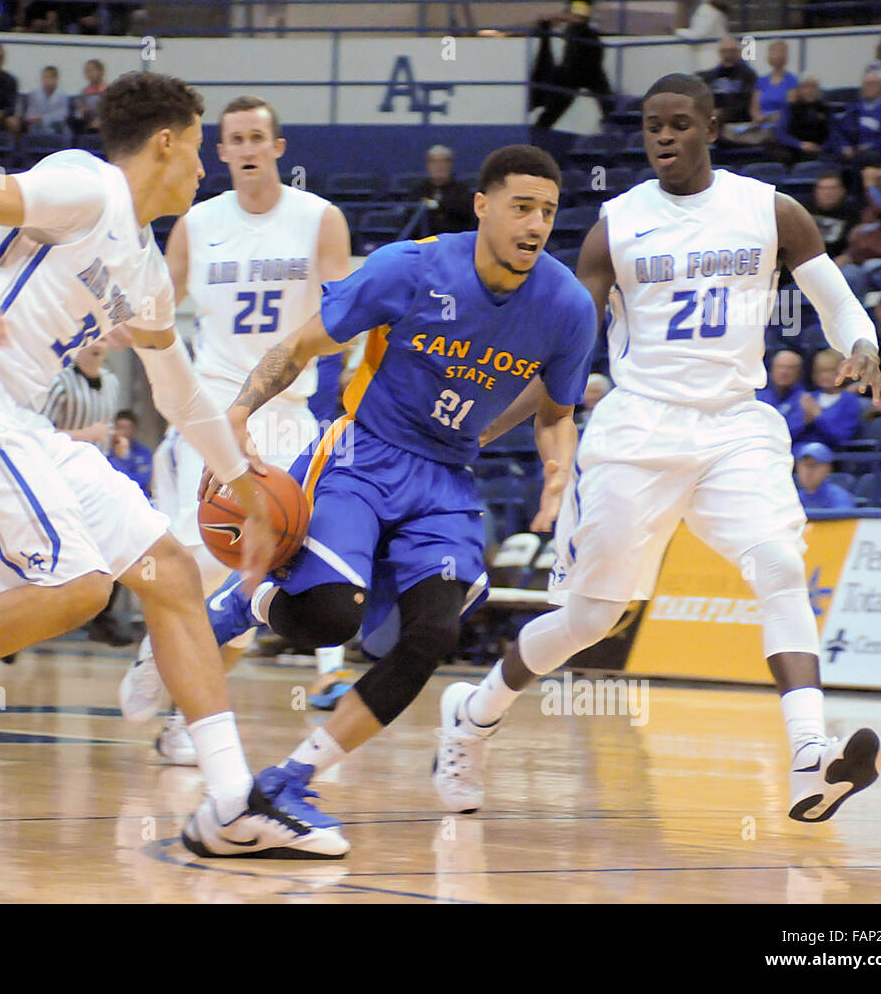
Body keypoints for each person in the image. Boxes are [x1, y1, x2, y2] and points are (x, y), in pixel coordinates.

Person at [0, 70, 347, 860]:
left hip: (20, 419)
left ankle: (231, 802)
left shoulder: (149, 274)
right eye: (198, 152)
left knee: (170, 570)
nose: (203, 171)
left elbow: (182, 392)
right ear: (165, 143)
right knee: (79, 585)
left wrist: (244, 486)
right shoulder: (80, 185)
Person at [440, 74, 881, 826]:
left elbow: (832, 297)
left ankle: (810, 753)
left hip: (734, 424)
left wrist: (862, 343)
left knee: (779, 562)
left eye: (680, 123)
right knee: (590, 620)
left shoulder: (770, 210)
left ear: (712, 125)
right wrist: (492, 417)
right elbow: (567, 347)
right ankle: (475, 716)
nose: (665, 137)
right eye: (652, 126)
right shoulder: (616, 224)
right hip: (639, 429)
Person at [197, 144, 598, 851]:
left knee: (433, 635)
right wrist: (240, 410)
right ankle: (246, 600)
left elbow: (555, 413)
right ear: (482, 206)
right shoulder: (410, 268)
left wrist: (558, 469)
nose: (536, 223)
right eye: (521, 206)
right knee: (326, 617)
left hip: (445, 479)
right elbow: (302, 344)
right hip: (362, 450)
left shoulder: (565, 306)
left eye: (548, 210)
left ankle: (293, 777)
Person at [119, 94, 351, 763]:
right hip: (213, 410)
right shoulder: (196, 223)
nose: (247, 147)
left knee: (253, 578)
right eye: (235, 139)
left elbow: (339, 322)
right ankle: (153, 656)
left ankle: (187, 719)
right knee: (191, 564)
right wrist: (102, 333)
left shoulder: (319, 221)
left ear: (279, 148)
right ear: (219, 152)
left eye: (258, 137)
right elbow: (154, 306)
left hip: (286, 415)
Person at [41, 333, 131, 646]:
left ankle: (101, 618)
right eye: (95, 338)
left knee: (118, 539)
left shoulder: (113, 382)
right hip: (60, 478)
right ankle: (34, 622)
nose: (99, 344)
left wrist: (115, 441)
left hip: (99, 475)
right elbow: (38, 433)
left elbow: (104, 428)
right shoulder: (60, 382)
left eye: (106, 338)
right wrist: (83, 434)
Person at [528, 0, 612, 131]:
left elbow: (579, 18)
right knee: (596, 89)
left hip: (583, 47)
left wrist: (551, 17)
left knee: (568, 88)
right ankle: (613, 121)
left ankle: (541, 128)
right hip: (581, 46)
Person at [794, 348, 865, 449]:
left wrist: (818, 416)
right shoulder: (808, 398)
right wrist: (803, 422)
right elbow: (792, 435)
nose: (826, 376)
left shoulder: (849, 401)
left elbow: (842, 438)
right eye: (821, 371)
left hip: (833, 456)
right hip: (801, 452)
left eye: (832, 371)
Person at [829, 74, 881, 164]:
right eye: (866, 84)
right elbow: (840, 131)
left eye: (872, 84)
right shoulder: (853, 107)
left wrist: (869, 146)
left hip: (875, 152)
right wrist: (845, 146)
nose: (868, 87)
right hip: (851, 150)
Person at [409, 145, 475, 237]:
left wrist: (437, 205)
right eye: (434, 161)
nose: (439, 166)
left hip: (454, 239)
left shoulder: (461, 190)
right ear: (428, 165)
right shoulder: (419, 190)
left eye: (444, 161)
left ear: (450, 164)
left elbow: (464, 212)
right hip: (423, 242)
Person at [701, 37, 759, 138]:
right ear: (719, 54)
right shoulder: (710, 76)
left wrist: (722, 112)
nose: (728, 55)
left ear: (739, 53)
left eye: (732, 51)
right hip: (714, 121)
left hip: (738, 122)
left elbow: (745, 103)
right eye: (725, 51)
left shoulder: (748, 75)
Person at [771, 75, 831, 165]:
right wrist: (800, 144)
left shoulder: (825, 108)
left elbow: (833, 133)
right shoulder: (790, 108)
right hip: (794, 149)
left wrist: (822, 147)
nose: (810, 90)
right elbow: (781, 134)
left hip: (820, 149)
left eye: (813, 87)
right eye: (806, 87)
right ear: (799, 90)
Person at [674, 0, 729, 73]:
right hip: (713, 57)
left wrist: (677, 32)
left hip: (708, 60)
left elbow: (698, 35)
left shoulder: (707, 9)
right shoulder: (713, 5)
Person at [807, 170, 858, 260]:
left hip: (838, 261)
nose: (828, 192)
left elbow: (856, 244)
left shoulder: (853, 214)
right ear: (816, 192)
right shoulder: (803, 210)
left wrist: (848, 256)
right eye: (823, 188)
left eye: (833, 188)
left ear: (842, 191)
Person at [755, 348, 806, 434]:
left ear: (799, 372)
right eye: (780, 367)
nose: (784, 372)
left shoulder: (805, 400)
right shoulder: (758, 397)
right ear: (772, 370)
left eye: (790, 368)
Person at [751, 40, 797, 128]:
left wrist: (769, 118)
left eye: (781, 51)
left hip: (782, 124)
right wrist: (758, 117)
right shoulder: (761, 81)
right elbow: (754, 108)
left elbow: (790, 107)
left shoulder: (792, 80)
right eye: (774, 52)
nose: (778, 55)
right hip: (761, 125)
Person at [794, 443, 853, 511]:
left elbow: (844, 520)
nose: (808, 471)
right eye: (804, 465)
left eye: (813, 465)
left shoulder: (838, 497)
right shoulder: (795, 499)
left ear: (827, 469)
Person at [106, 409, 152, 495]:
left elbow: (142, 479)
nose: (123, 432)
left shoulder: (144, 453)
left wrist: (124, 457)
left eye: (127, 428)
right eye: (120, 428)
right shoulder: (107, 454)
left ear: (134, 429)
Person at [23, 65, 70, 134]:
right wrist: (36, 118)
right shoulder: (34, 94)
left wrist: (43, 118)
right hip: (37, 126)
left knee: (63, 129)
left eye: (51, 78)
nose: (48, 80)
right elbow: (30, 113)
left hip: (56, 128)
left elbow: (63, 115)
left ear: (57, 79)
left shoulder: (62, 95)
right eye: (45, 77)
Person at [73, 59, 107, 135]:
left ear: (101, 72)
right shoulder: (83, 94)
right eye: (87, 71)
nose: (89, 73)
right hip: (88, 126)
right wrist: (83, 112)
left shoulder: (109, 91)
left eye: (92, 70)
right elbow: (80, 115)